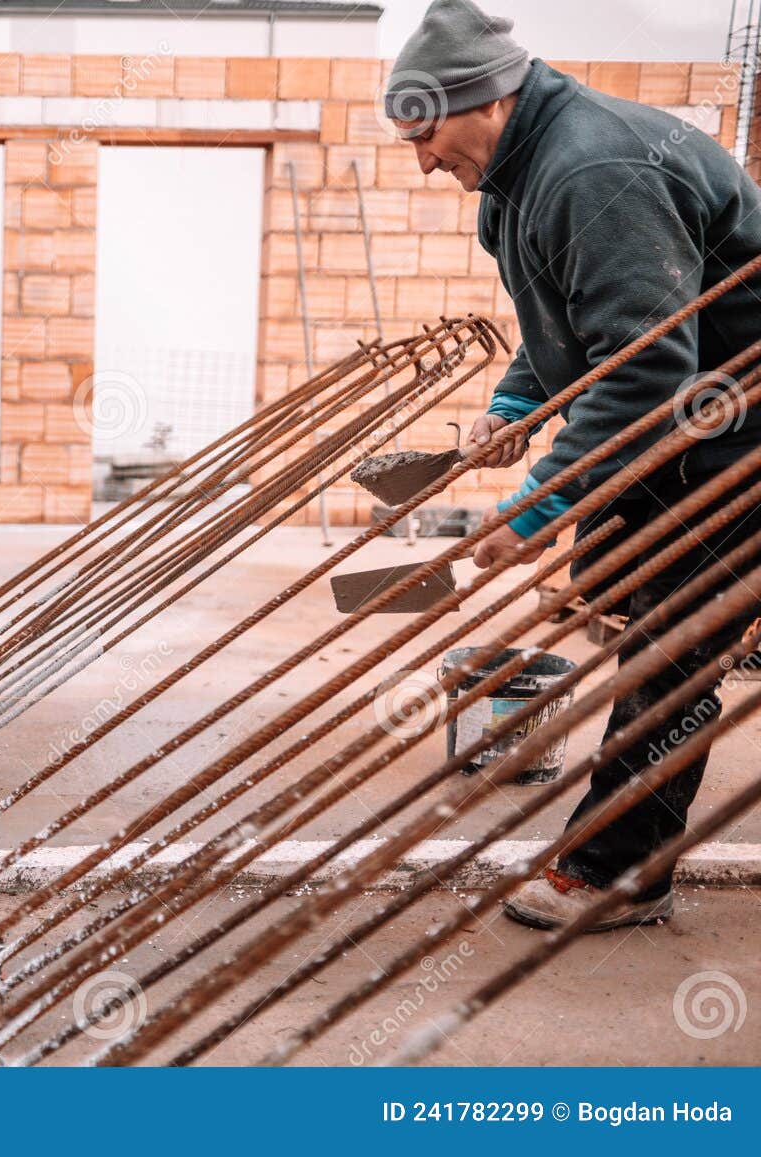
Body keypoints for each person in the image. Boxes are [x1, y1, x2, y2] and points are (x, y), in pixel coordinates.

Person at [384, 0, 761, 930]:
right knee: (618, 586)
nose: (424, 161)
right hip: (687, 420)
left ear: (488, 100)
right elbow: (567, 316)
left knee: (673, 643)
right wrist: (515, 406)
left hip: (733, 430)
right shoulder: (520, 176)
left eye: (426, 133)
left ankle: (616, 872)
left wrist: (529, 510)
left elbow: (643, 375)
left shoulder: (593, 169)